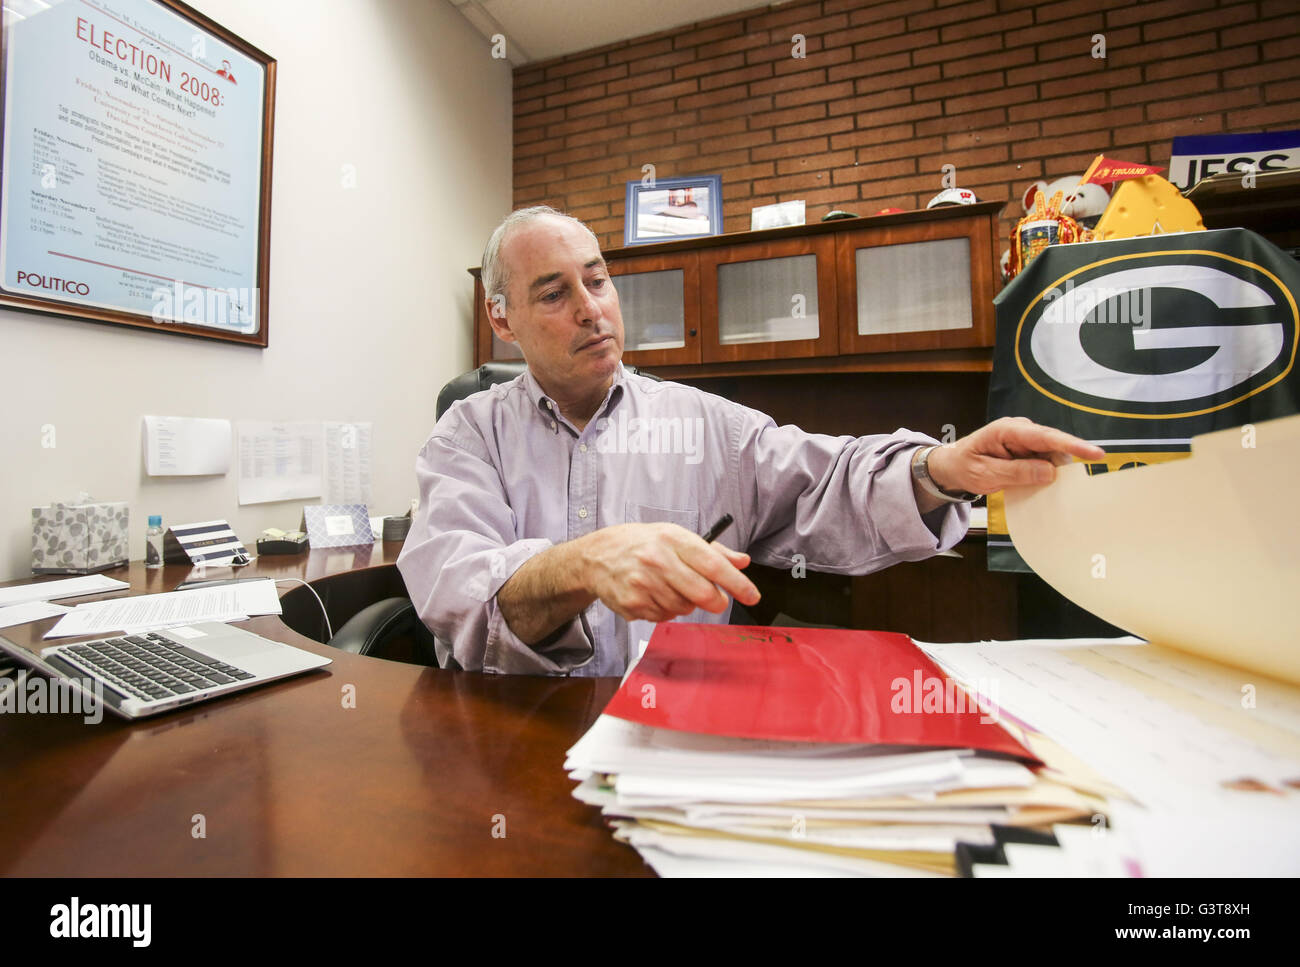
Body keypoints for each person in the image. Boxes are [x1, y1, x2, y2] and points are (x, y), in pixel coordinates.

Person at [396, 206, 1104, 675]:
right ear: (503, 319)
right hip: (510, 736)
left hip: (677, 740)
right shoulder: (469, 434)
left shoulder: (705, 424)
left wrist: (939, 467)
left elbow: (827, 480)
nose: (591, 309)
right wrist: (582, 563)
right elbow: (457, 592)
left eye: (599, 280)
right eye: (553, 294)